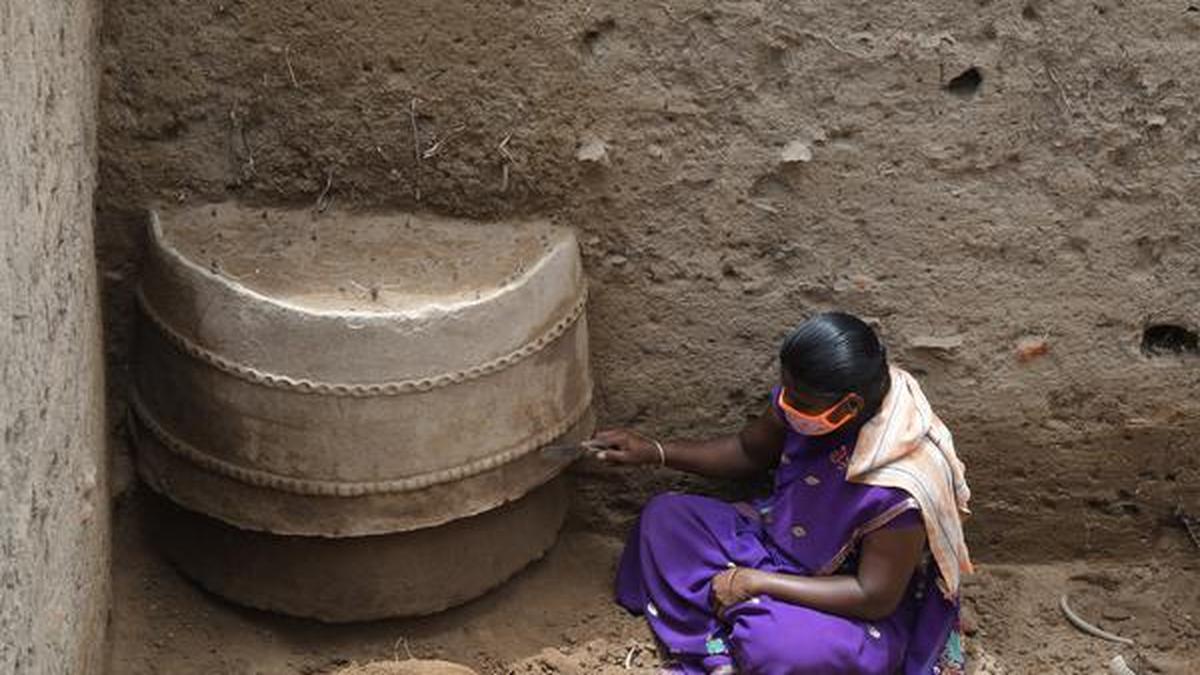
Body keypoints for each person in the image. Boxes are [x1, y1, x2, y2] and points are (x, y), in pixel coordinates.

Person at [596, 312, 972, 675]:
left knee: (781, 648)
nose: (786, 405)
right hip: (774, 541)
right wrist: (654, 452)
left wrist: (756, 582)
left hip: (843, 601)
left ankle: (725, 626)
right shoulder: (806, 402)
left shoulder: (899, 485)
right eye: (786, 391)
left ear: (850, 406)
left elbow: (873, 597)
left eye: (800, 402)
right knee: (665, 518)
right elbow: (748, 452)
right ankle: (728, 628)